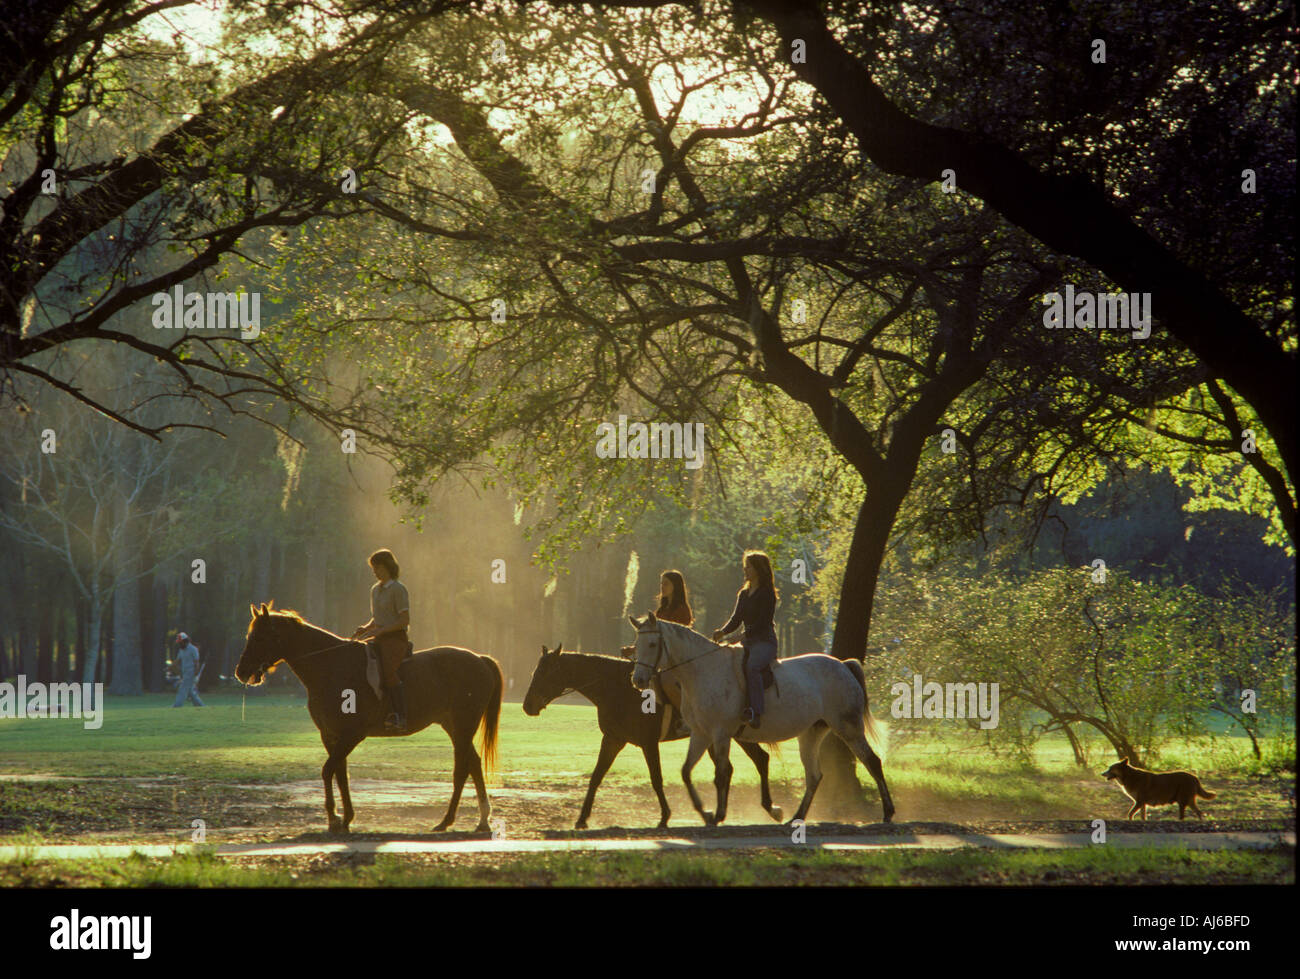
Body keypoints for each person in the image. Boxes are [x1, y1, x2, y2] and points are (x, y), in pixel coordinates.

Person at [712, 550, 778, 729]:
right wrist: (722, 632)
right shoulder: (743, 594)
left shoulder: (767, 593)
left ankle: (756, 712)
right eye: (745, 566)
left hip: (765, 642)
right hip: (747, 642)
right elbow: (736, 619)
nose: (745, 569)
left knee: (753, 667)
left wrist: (742, 635)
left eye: (748, 566)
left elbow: (763, 623)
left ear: (758, 569)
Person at [351, 549, 411, 731]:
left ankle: (400, 716)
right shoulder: (375, 590)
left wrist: (382, 631)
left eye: (378, 567)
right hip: (379, 638)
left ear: (388, 567)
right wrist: (366, 628)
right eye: (373, 568)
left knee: (387, 672)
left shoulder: (398, 589)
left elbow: (404, 620)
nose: (375, 572)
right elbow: (377, 619)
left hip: (395, 639)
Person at [171, 633, 205, 708]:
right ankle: (200, 706)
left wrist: (196, 672)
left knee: (182, 689)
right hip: (184, 672)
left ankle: (177, 705)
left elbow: (196, 662)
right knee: (190, 691)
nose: (179, 644)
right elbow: (178, 660)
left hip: (191, 672)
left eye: (180, 642)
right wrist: (172, 665)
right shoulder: (181, 650)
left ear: (185, 641)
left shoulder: (193, 649)